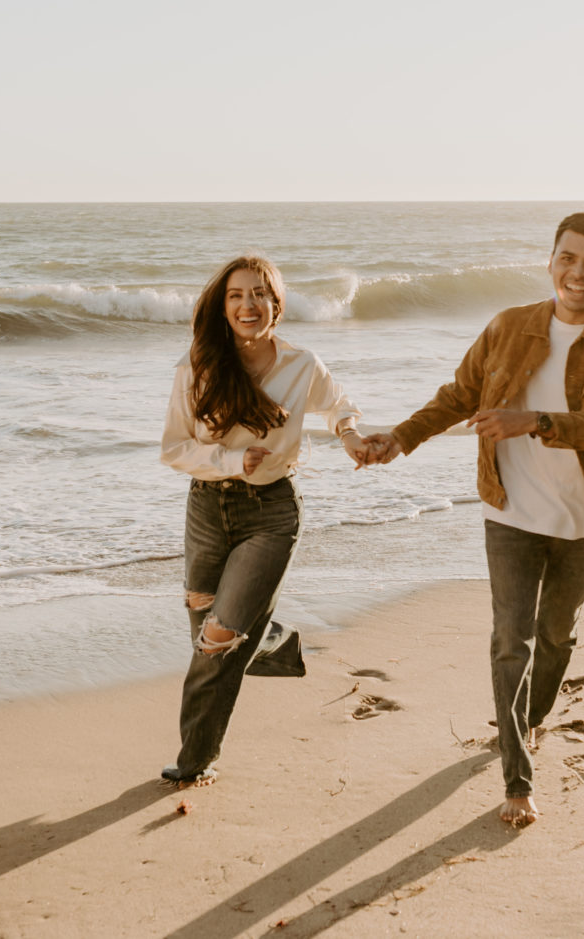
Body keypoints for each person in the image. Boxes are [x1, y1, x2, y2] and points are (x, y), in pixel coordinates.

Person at [363, 212, 584, 827]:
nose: (579, 273)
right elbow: (459, 395)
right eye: (569, 258)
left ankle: (533, 719)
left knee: (556, 636)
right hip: (512, 508)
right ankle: (517, 776)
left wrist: (533, 421)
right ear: (550, 261)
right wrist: (402, 438)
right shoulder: (509, 327)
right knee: (510, 641)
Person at [160, 254, 369, 788]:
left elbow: (337, 402)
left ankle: (194, 762)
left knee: (217, 642)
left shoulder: (301, 365)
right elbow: (174, 448)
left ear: (276, 304)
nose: (248, 305)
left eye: (259, 294)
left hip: (270, 513)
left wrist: (348, 436)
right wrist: (230, 461)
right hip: (207, 511)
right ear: (223, 306)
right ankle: (273, 640)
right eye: (236, 295)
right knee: (206, 637)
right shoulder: (199, 366)